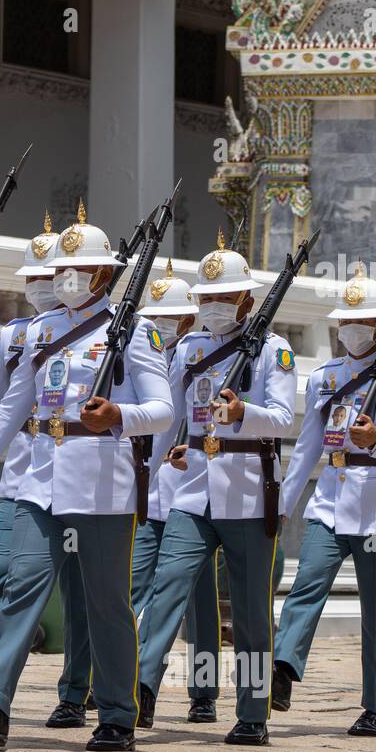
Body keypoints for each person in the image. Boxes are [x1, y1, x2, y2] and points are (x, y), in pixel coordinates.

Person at [0, 200, 174, 751]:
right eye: (60, 272)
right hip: (39, 477)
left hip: (99, 482)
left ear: (102, 274)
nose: (66, 280)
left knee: (105, 601)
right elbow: (10, 408)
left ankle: (117, 712)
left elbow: (164, 410)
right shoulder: (39, 332)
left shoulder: (135, 333)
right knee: (21, 587)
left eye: (78, 271)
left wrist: (120, 415)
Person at [138, 231, 296, 746]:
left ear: (247, 300)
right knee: (168, 588)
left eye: (223, 298)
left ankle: (252, 714)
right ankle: (140, 684)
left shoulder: (275, 350)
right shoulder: (189, 348)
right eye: (205, 299)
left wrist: (242, 413)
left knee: (251, 612)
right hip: (193, 490)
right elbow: (170, 421)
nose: (213, 307)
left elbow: (283, 419)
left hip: (250, 491)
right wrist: (147, 475)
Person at [272, 264, 376, 737]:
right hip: (330, 501)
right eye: (345, 323)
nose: (350, 331)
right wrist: (282, 505)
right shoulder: (326, 377)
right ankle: (282, 668)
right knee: (305, 587)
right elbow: (308, 449)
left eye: (360, 323)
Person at [0, 212, 92, 729]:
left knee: (82, 595)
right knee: (1, 578)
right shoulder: (20, 334)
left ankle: (75, 691)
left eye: (46, 278)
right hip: (23, 476)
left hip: (85, 481)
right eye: (32, 279)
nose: (38, 287)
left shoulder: (101, 331)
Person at [130, 260, 224, 725]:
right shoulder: (136, 353)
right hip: (148, 488)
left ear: (189, 319)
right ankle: (125, 680)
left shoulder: (196, 354)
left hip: (190, 489)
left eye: (166, 320)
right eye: (152, 320)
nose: (157, 327)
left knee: (197, 601)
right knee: (138, 587)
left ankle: (203, 690)